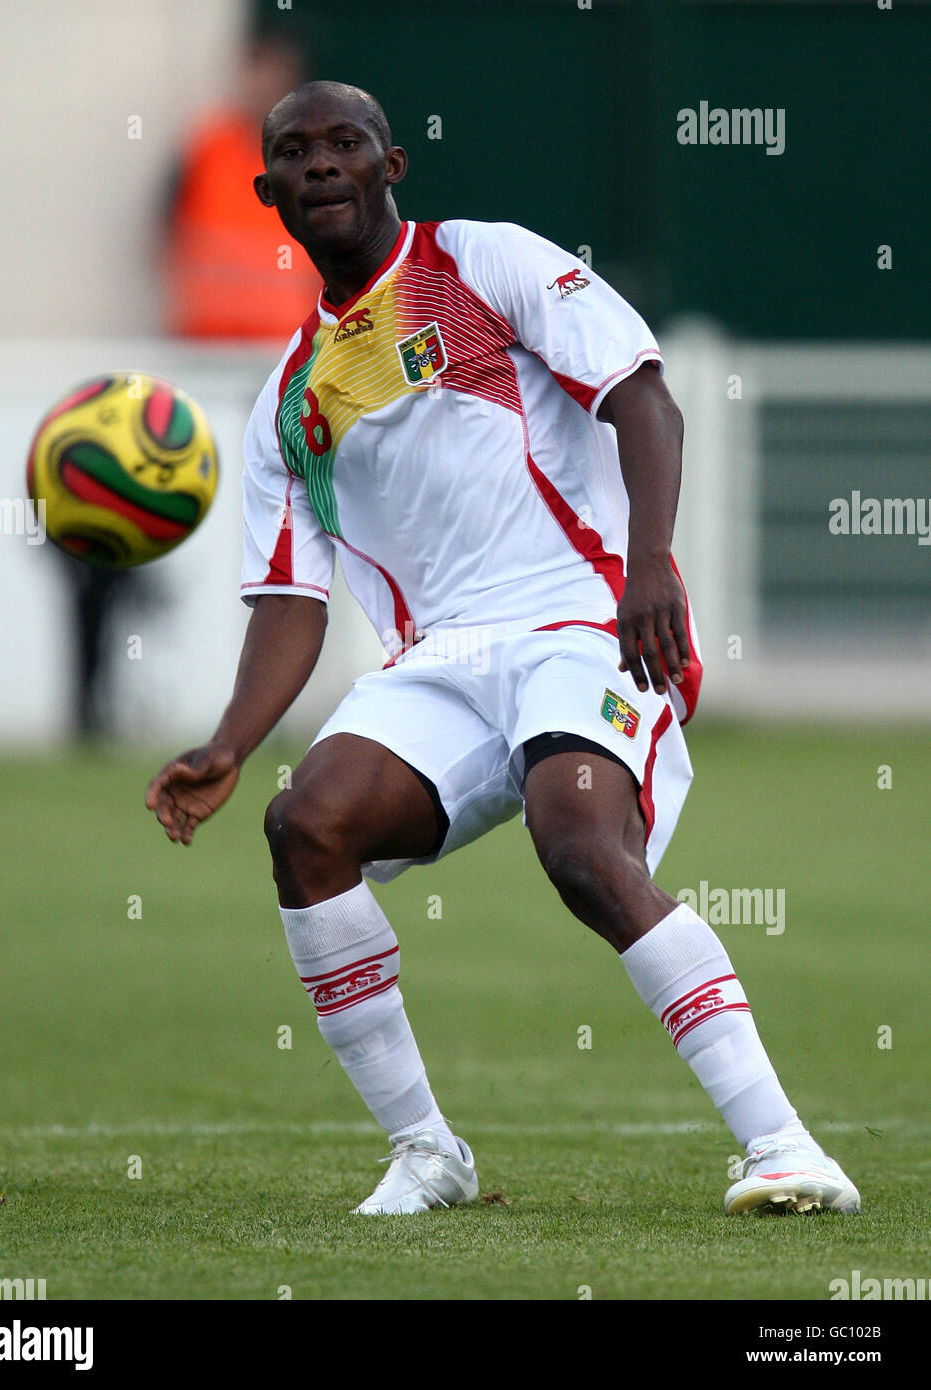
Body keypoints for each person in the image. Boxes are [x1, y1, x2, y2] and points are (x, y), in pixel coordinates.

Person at [146, 81, 860, 1219]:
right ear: (264, 188)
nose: (321, 164)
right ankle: (427, 1151)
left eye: (345, 145)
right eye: (295, 152)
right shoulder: (288, 400)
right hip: (436, 664)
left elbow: (641, 400)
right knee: (304, 824)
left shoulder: (484, 263)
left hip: (583, 618)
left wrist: (649, 562)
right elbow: (290, 599)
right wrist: (230, 743)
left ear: (391, 166)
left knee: (575, 838)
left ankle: (781, 1145)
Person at [161, 35, 321, 339]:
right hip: (206, 336)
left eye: (273, 75)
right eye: (255, 73)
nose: (261, 86)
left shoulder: (312, 157)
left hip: (283, 340)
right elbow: (169, 226)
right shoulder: (207, 148)